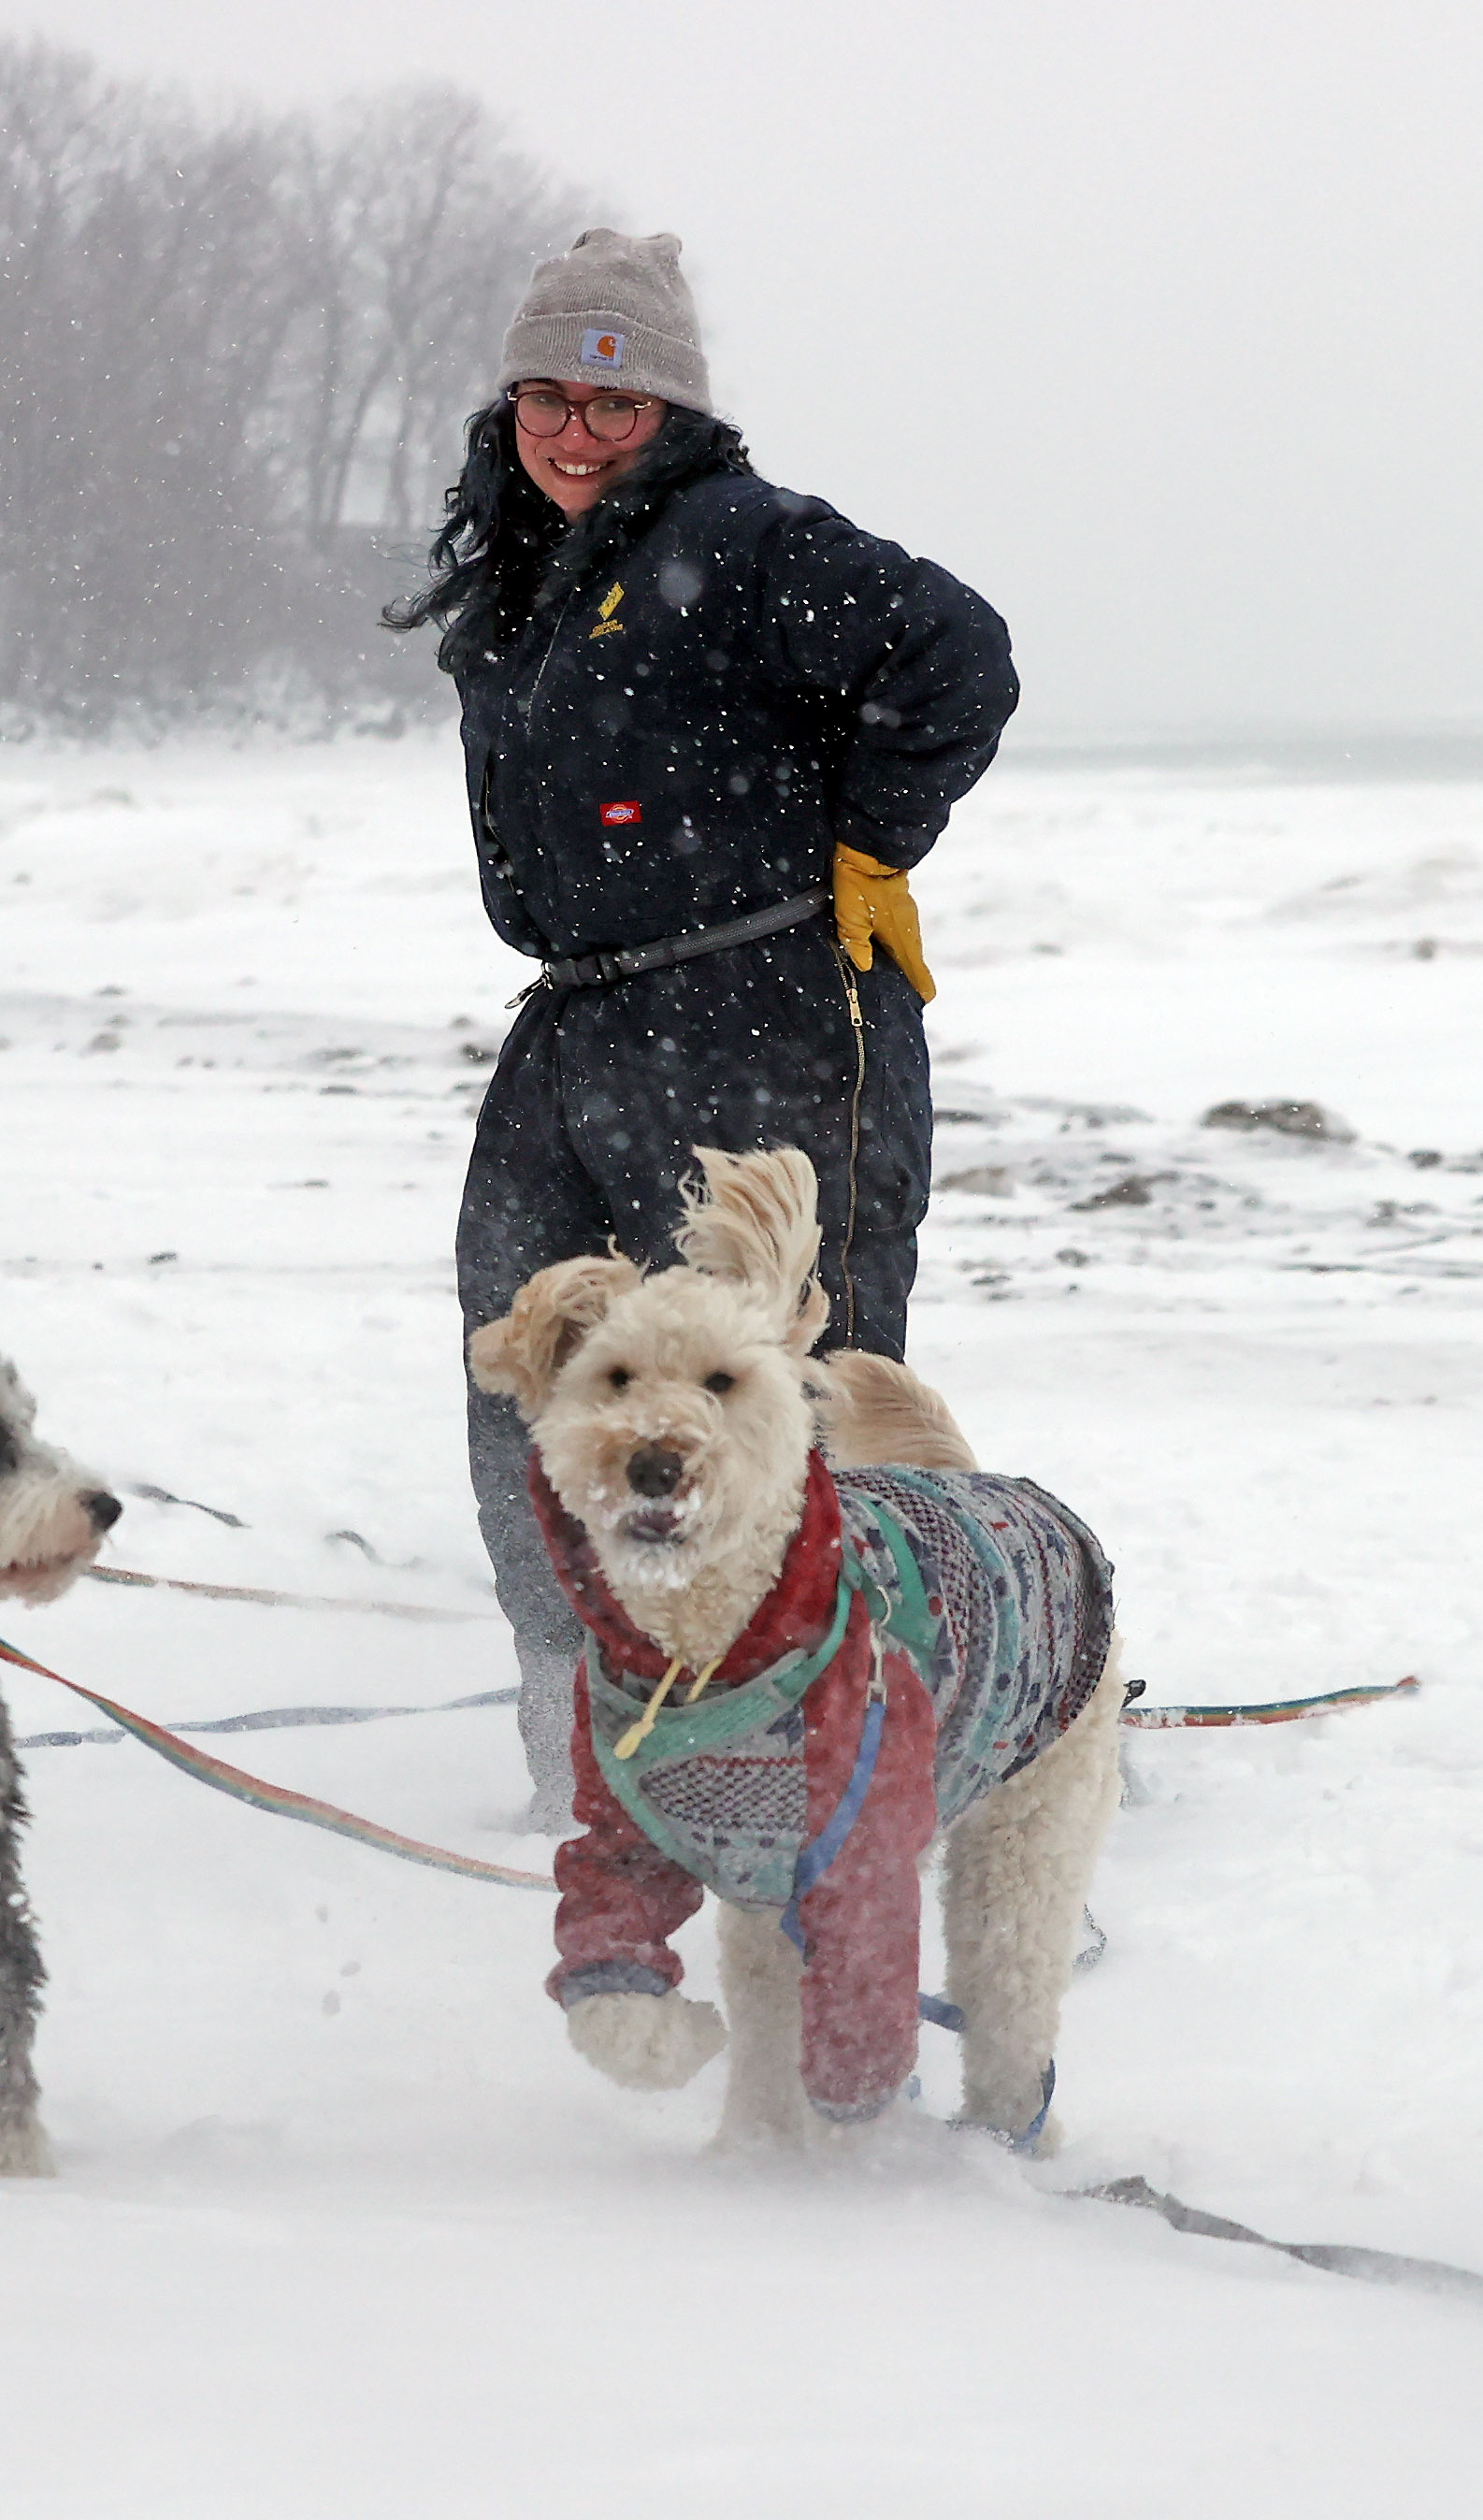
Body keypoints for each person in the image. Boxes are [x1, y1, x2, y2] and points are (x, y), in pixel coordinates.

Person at [389, 229, 1016, 1819]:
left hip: (765, 1004)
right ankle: (589, 1717)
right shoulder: (526, 569)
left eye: (614, 405)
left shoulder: (742, 538)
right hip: (578, 1021)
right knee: (529, 1361)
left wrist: (872, 840)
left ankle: (901, 1711)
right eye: (547, 398)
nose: (576, 435)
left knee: (808, 1373)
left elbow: (957, 657)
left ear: (669, 413)